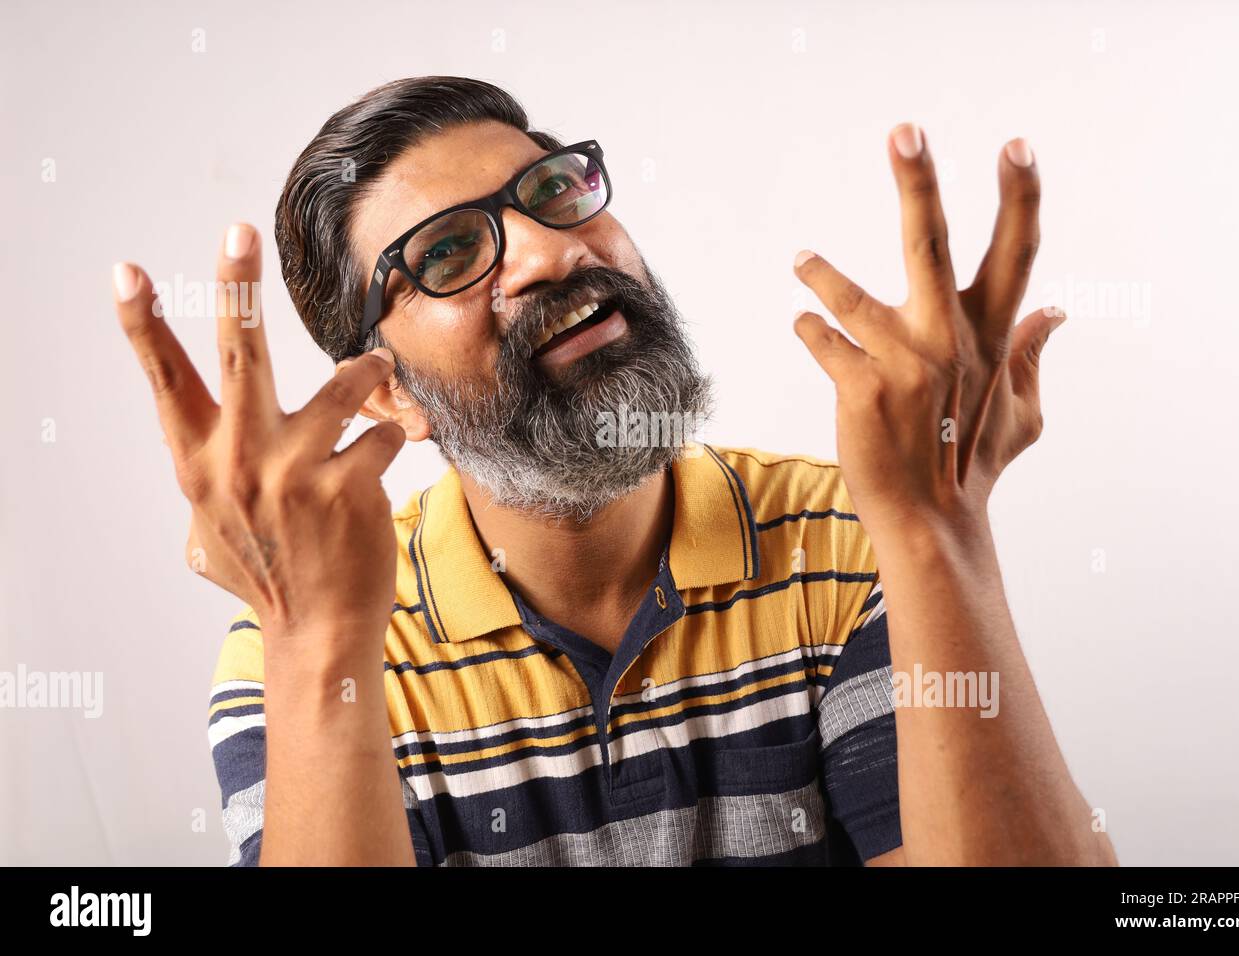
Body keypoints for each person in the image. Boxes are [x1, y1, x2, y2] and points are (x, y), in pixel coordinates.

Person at [111, 76, 1116, 867]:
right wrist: (318, 643)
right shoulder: (291, 652)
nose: (550, 252)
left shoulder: (851, 542)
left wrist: (938, 527)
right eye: (452, 250)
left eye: (553, 191)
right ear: (386, 396)